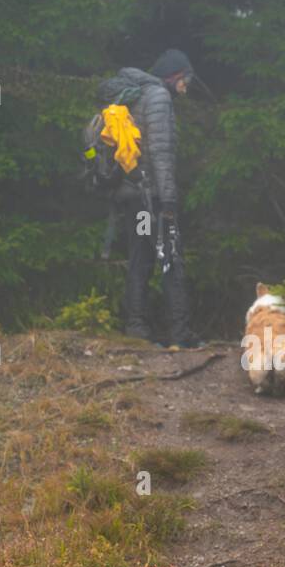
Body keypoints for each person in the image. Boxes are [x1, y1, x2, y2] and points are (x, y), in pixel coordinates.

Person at [104, 48, 196, 348]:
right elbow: (161, 151)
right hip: (153, 198)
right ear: (173, 76)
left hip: (133, 195)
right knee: (170, 258)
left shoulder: (137, 95)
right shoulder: (159, 97)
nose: (187, 85)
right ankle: (180, 335)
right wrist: (168, 200)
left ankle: (137, 331)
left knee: (140, 259)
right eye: (186, 78)